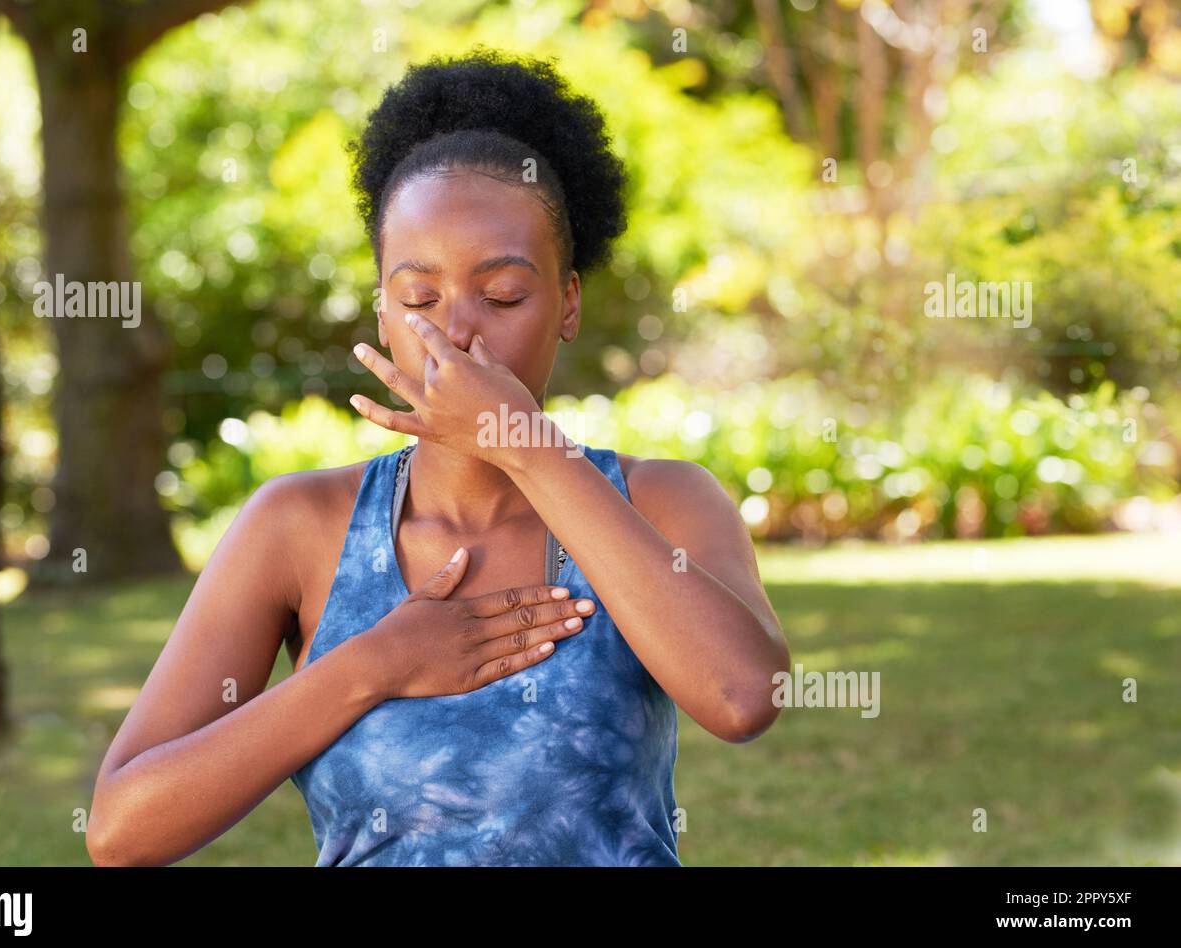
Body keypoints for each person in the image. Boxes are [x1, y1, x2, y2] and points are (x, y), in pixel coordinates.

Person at [86, 47, 789, 868]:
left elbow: (745, 698)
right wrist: (374, 665)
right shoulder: (298, 526)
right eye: (419, 297)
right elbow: (121, 829)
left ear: (567, 303)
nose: (456, 333)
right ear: (383, 313)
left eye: (502, 296)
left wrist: (527, 448)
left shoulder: (664, 501)